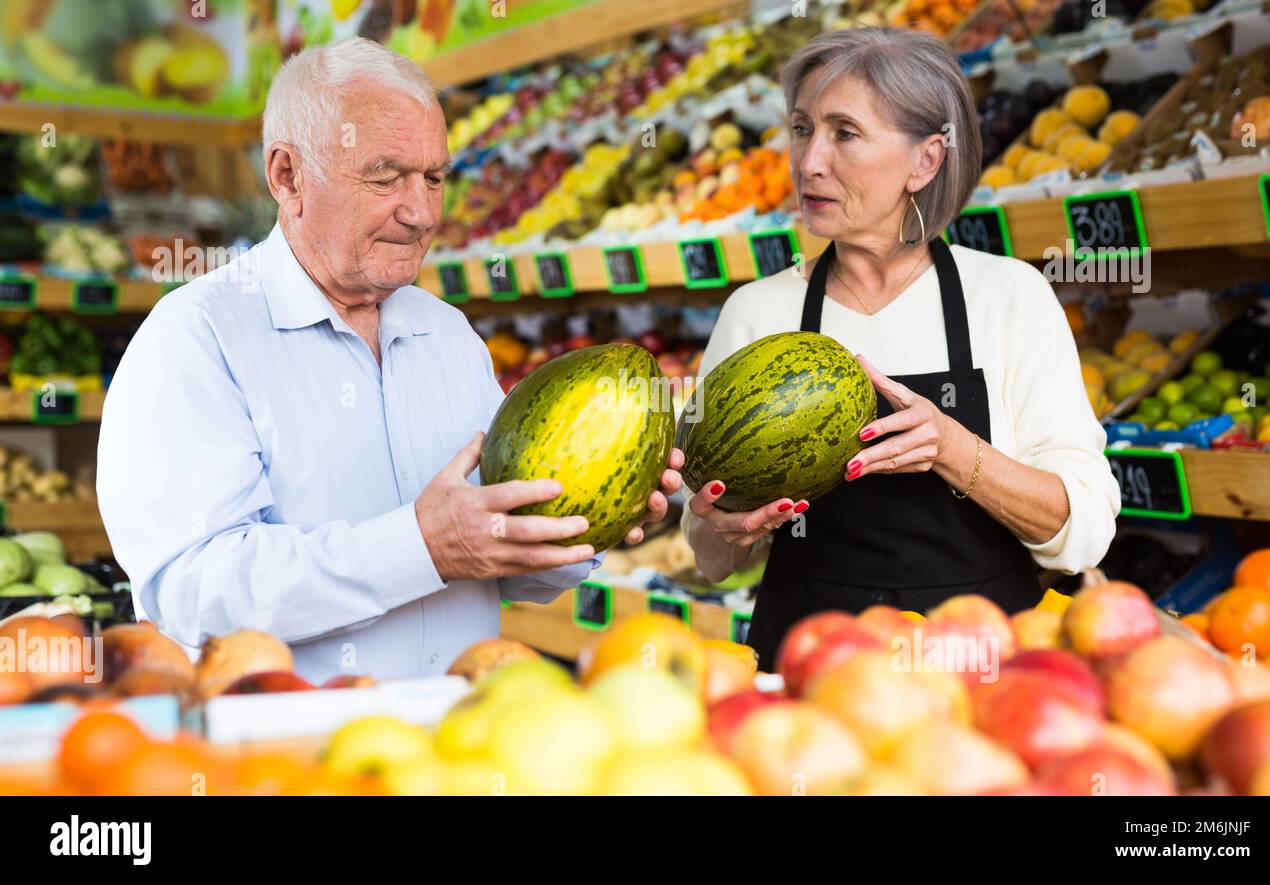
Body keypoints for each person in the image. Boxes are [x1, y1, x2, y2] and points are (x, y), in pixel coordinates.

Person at [97, 38, 682, 682]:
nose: (422, 213)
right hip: (288, 756)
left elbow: (504, 564)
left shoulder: (449, 335)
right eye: (385, 177)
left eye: (434, 177)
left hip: (454, 745)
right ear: (288, 175)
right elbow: (193, 590)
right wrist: (419, 548)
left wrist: (585, 527)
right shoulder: (197, 338)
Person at [681, 27, 1120, 671]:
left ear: (926, 161)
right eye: (802, 129)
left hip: (980, 673)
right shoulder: (758, 312)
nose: (809, 162)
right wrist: (726, 527)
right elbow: (708, 554)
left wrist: (950, 447)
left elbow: (1083, 531)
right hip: (810, 674)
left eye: (844, 133)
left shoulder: (1008, 297)